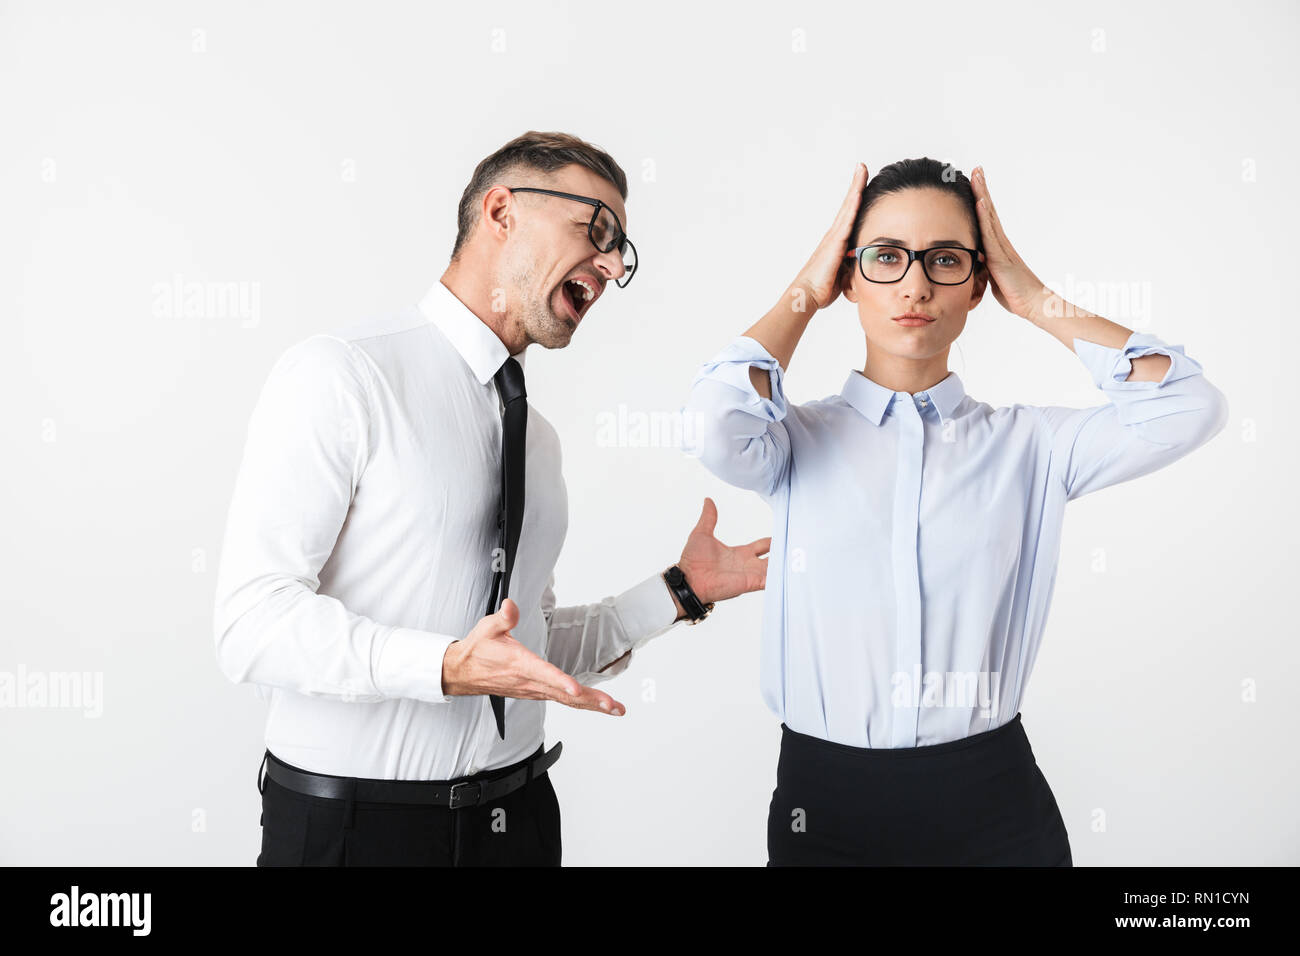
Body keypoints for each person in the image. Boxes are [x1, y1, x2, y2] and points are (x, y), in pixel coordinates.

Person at [213, 131, 770, 866]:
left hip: (519, 823)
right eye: (595, 230)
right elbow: (251, 624)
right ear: (500, 210)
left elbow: (519, 653)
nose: (608, 266)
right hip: (358, 833)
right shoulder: (342, 375)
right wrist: (441, 666)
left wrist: (678, 592)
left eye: (620, 252)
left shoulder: (536, 438)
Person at [682, 157, 1229, 866]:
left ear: (979, 284)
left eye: (944, 260)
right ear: (850, 276)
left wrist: (1036, 300)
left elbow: (1191, 407)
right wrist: (804, 295)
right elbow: (712, 422)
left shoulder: (1033, 445)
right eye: (886, 258)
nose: (915, 285)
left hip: (993, 805)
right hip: (824, 805)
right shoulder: (790, 443)